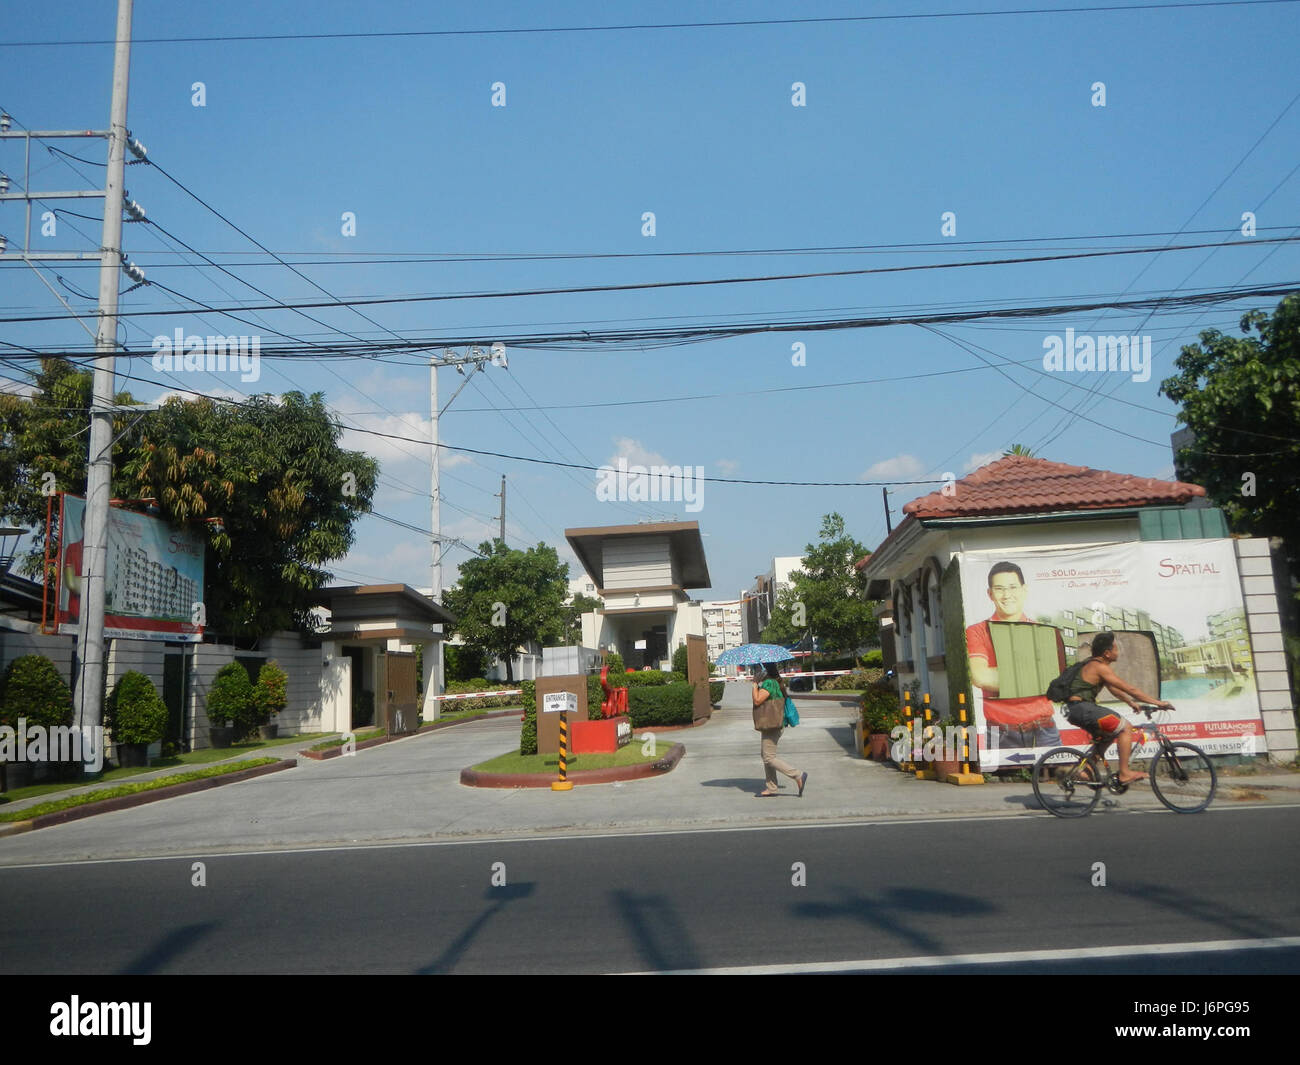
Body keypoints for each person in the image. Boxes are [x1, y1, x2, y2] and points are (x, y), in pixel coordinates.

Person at [965, 561, 1061, 749]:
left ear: (1024, 590)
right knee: (1004, 780)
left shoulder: (1042, 632)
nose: (1007, 595)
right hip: (1001, 732)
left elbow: (1050, 679)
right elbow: (979, 677)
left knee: (1057, 777)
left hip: (1044, 729)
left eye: (1012, 587)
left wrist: (1000, 676)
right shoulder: (977, 631)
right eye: (999, 589)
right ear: (990, 594)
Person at [1064, 631, 1173, 784]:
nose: (1118, 652)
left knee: (1108, 735)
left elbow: (1114, 689)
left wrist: (1130, 703)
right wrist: (1159, 703)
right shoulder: (1100, 667)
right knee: (1125, 728)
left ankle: (1087, 770)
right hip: (1082, 708)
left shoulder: (1093, 664)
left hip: (1076, 709)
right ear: (1107, 653)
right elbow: (1131, 689)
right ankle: (1124, 773)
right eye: (1116, 649)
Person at [751, 662, 808, 798]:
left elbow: (757, 700)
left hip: (772, 724)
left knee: (768, 757)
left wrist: (754, 685)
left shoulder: (769, 683)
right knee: (766, 756)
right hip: (772, 724)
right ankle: (771, 788)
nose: (755, 671)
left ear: (764, 670)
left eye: (757, 668)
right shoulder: (772, 682)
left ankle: (798, 775)